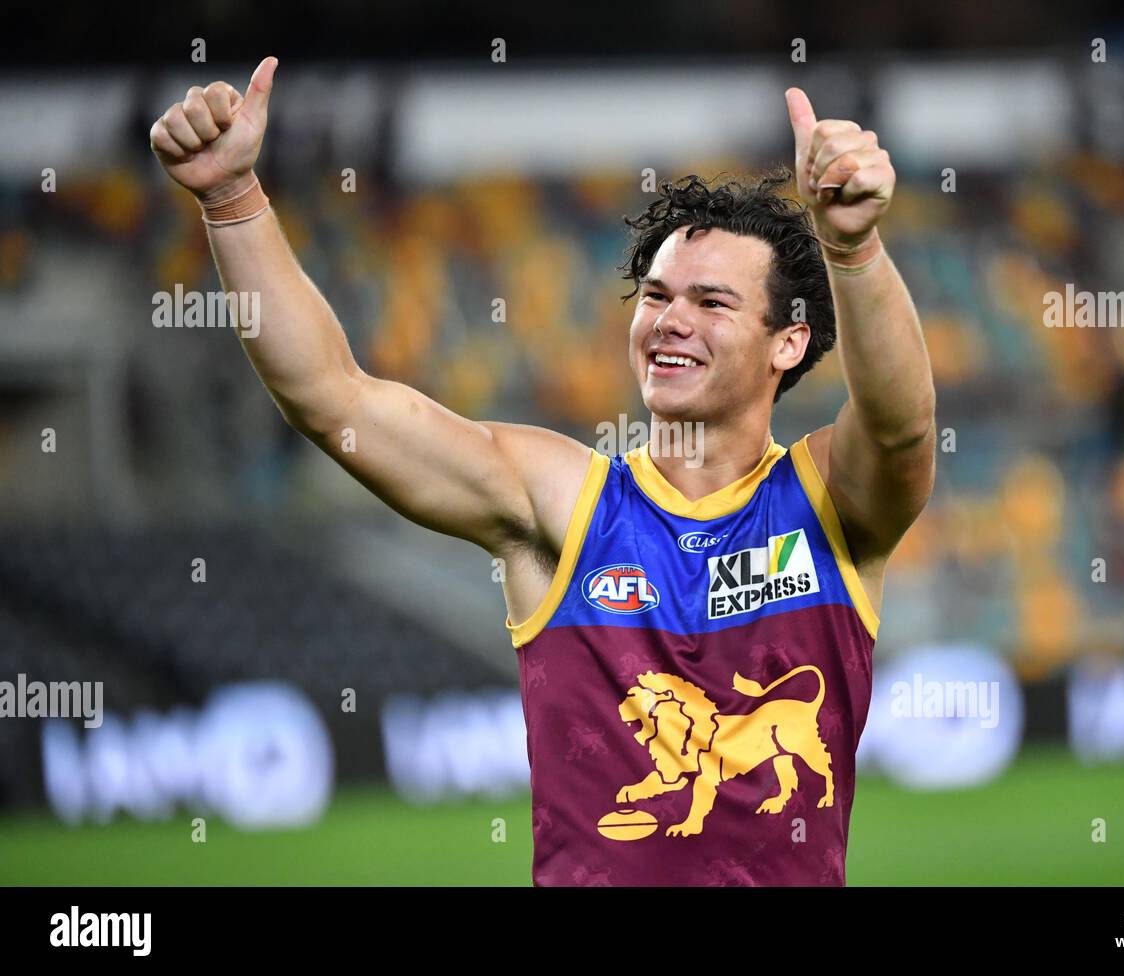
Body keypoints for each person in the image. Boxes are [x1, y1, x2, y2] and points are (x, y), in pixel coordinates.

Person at [149, 57, 936, 886]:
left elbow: (901, 425)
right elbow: (333, 401)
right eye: (656, 295)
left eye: (712, 303)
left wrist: (852, 247)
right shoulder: (560, 500)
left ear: (788, 342)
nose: (669, 322)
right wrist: (231, 198)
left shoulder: (824, 504)